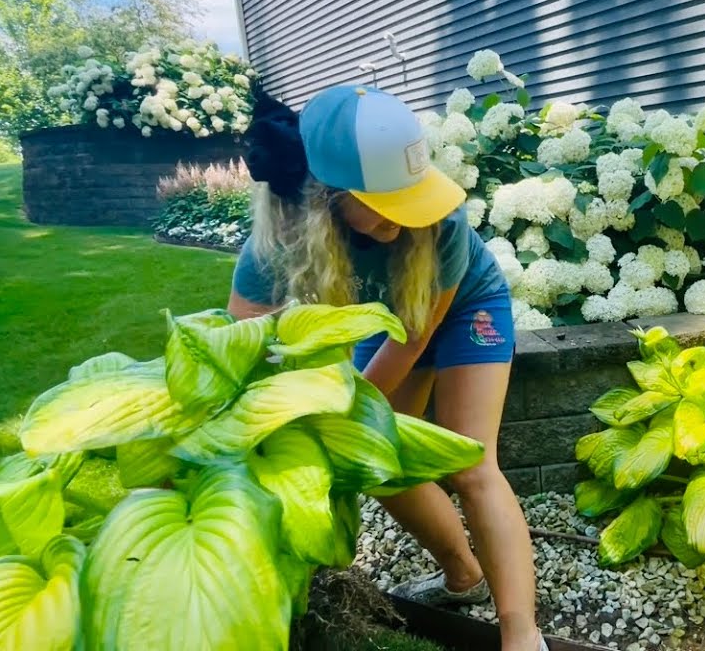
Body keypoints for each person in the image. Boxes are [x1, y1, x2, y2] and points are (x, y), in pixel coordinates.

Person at [226, 85, 545, 651]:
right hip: (389, 317)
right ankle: (463, 577)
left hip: (461, 307)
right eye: (388, 202)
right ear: (327, 198)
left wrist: (340, 414)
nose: (407, 214)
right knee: (379, 463)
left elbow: (416, 335)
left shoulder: (440, 224)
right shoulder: (281, 239)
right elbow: (239, 334)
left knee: (473, 464)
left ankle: (522, 635)